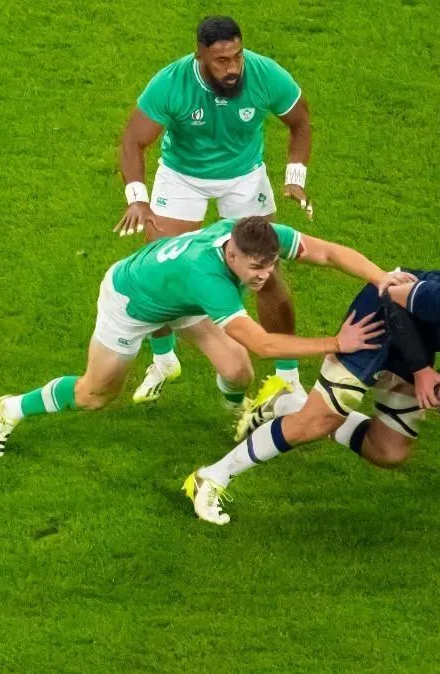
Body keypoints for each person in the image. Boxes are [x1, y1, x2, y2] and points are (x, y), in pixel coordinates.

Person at [0, 217, 408, 460]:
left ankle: (230, 411)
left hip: (178, 296)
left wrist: (381, 277)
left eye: (269, 265)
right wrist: (336, 343)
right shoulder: (209, 278)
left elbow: (327, 251)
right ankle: (10, 408)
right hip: (131, 302)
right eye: (255, 268)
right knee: (95, 395)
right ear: (231, 254)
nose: (264, 276)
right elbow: (263, 344)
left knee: (238, 373)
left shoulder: (253, 236)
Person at [183, 269, 440, 525]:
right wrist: (422, 371)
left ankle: (286, 403)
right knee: (317, 422)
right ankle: (211, 477)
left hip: (416, 341)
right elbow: (390, 294)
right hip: (376, 320)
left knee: (388, 452)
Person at [114, 16, 314, 406]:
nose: (233, 67)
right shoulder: (171, 83)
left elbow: (300, 123)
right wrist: (137, 199)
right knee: (157, 270)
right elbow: (133, 141)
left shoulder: (265, 75)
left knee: (268, 276)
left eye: (237, 56)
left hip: (244, 177)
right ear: (201, 55)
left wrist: (295, 177)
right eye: (222, 60)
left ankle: (288, 379)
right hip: (182, 176)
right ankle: (164, 360)